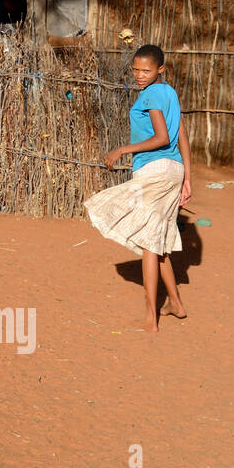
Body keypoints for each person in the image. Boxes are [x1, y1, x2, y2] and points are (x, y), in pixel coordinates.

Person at [84, 44, 192, 332]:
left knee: (147, 242)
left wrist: (122, 149)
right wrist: (187, 178)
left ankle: (150, 318)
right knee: (159, 242)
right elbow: (181, 136)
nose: (139, 75)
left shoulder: (152, 94)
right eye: (136, 69)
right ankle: (175, 304)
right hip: (174, 170)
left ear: (161, 70)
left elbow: (162, 137)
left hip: (155, 170)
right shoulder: (170, 93)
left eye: (146, 70)